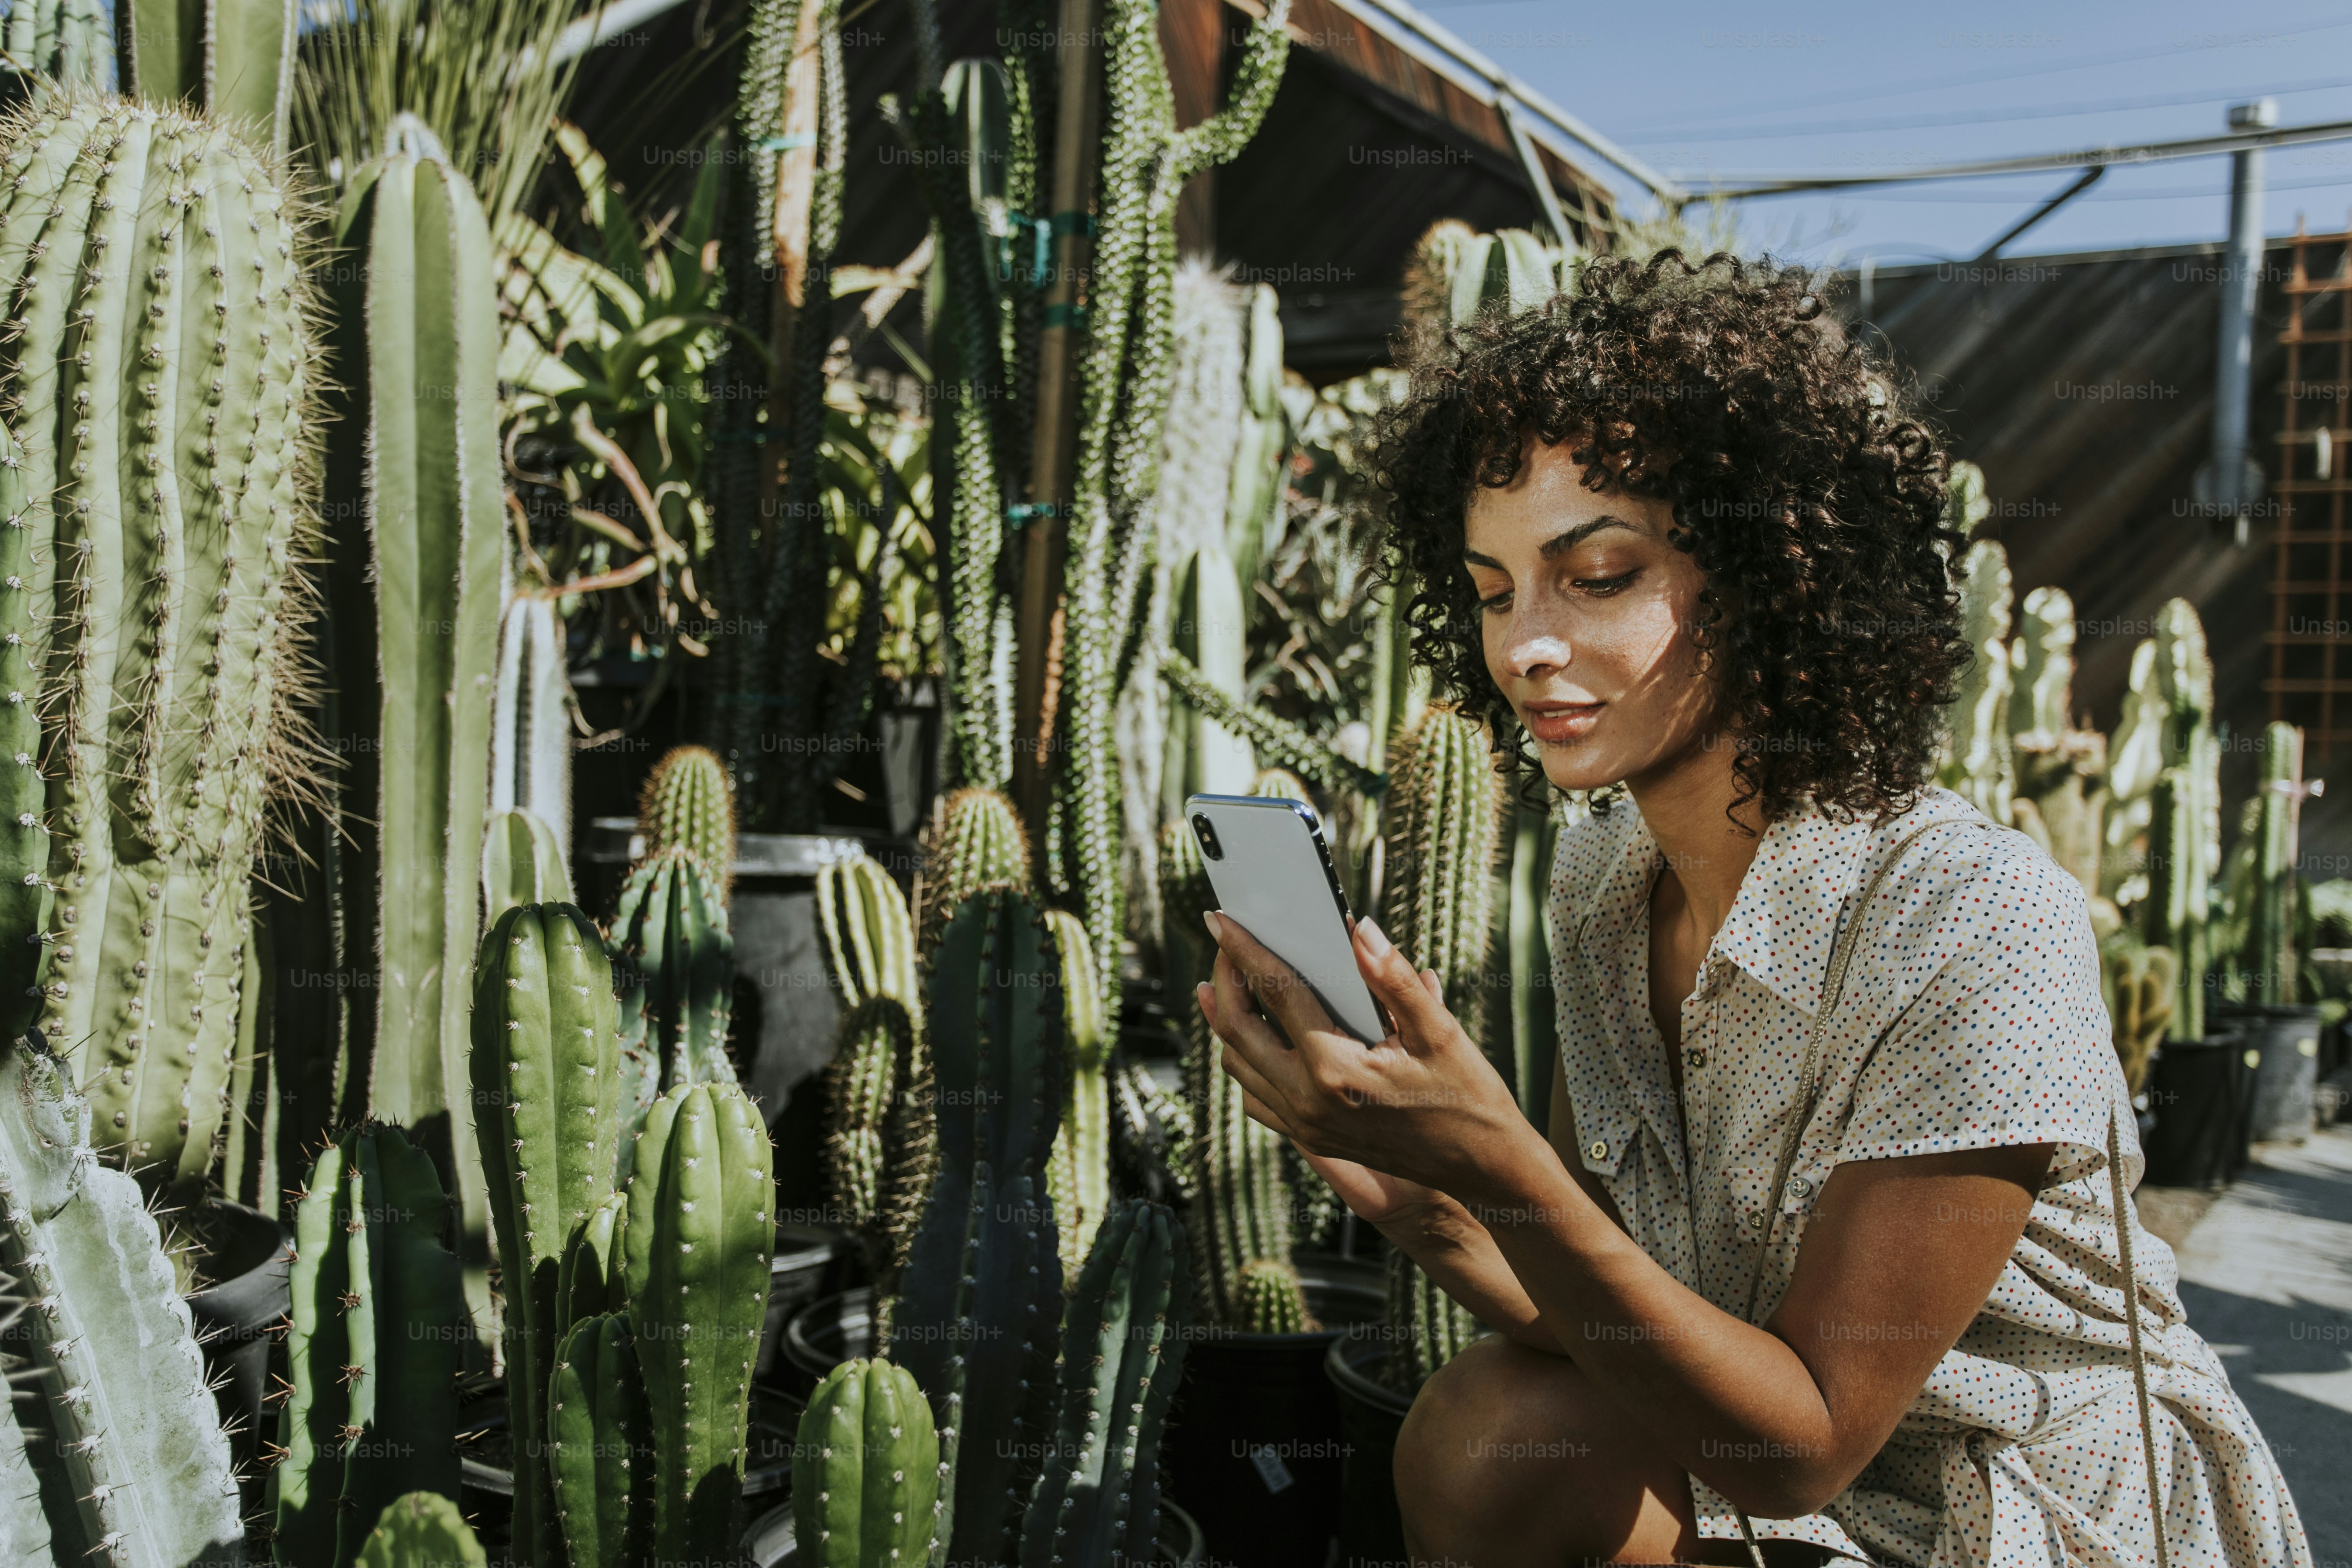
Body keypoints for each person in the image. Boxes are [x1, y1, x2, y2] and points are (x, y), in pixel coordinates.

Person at [1195, 251, 2310, 1568]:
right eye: (1494, 592)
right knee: (1498, 1431)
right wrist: (1432, 1199)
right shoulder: (1604, 876)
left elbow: (1806, 1439)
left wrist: (1503, 1161)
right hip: (1789, 1474)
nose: (1523, 647)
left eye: (1596, 573)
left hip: (2015, 1514)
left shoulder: (1970, 920)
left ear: (1771, 571)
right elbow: (1610, 1323)